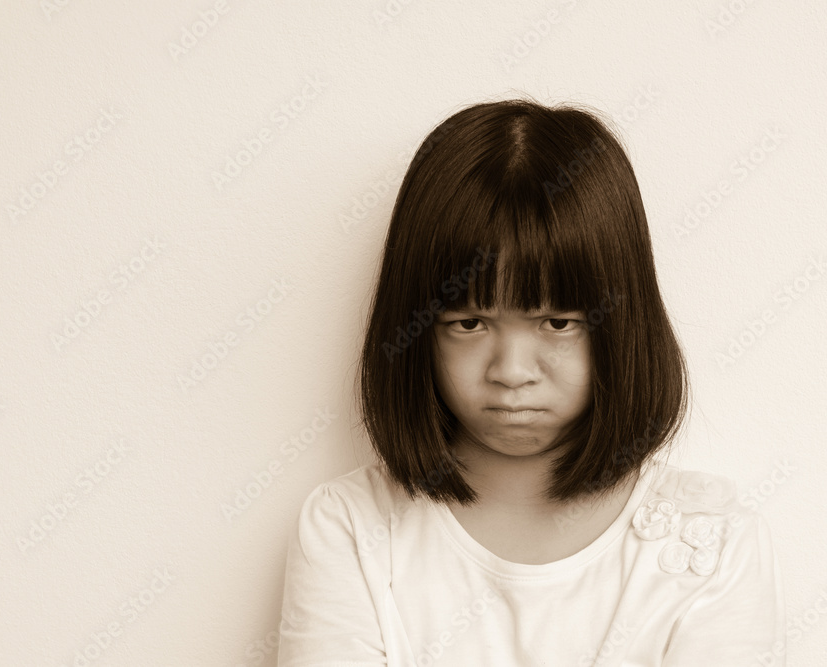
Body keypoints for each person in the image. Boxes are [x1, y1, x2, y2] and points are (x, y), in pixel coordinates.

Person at [276, 97, 786, 666]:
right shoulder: (351, 528)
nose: (512, 372)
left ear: (621, 325)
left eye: (558, 323)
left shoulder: (713, 545)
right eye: (469, 323)